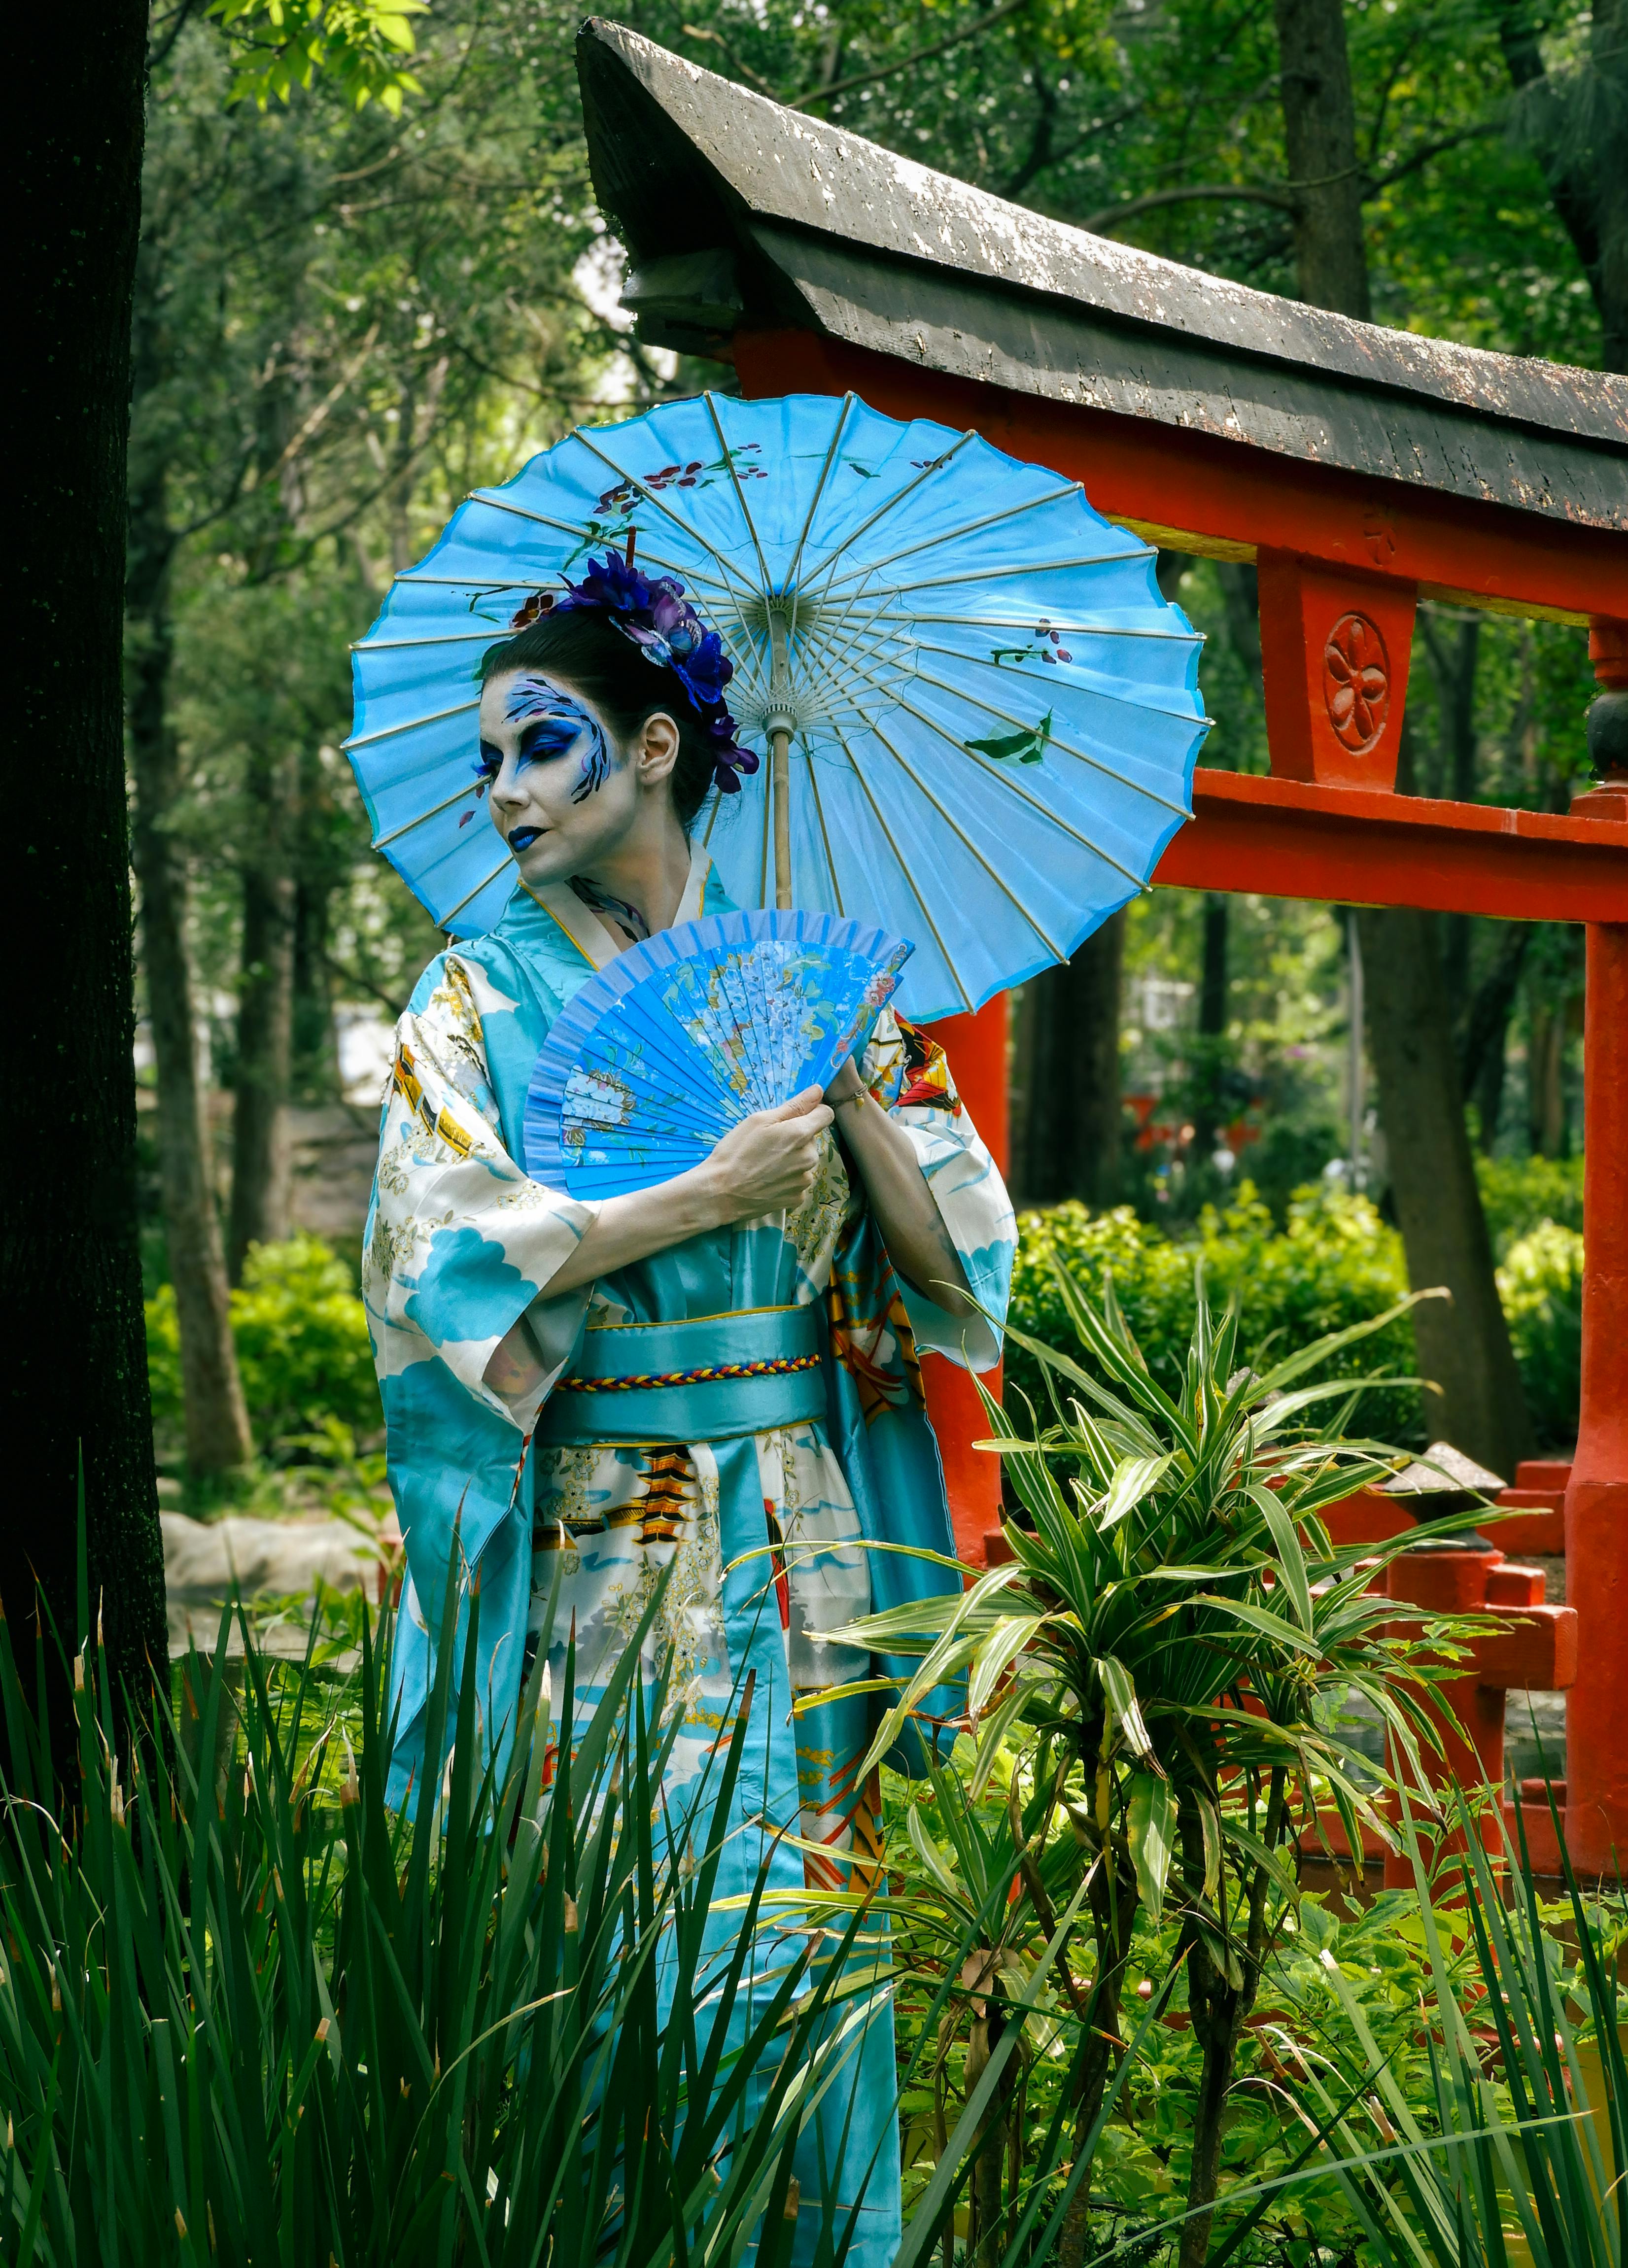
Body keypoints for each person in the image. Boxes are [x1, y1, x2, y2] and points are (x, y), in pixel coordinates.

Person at [362, 556, 1015, 2267]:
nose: (501, 791)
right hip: (607, 1533)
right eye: (488, 757)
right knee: (628, 1918)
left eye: (541, 745)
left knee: (810, 1936)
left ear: (655, 745)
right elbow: (433, 1270)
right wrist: (698, 1191)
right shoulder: (473, 1000)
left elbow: (959, 1272)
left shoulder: (812, 982)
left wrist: (849, 1083)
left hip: (799, 1534)